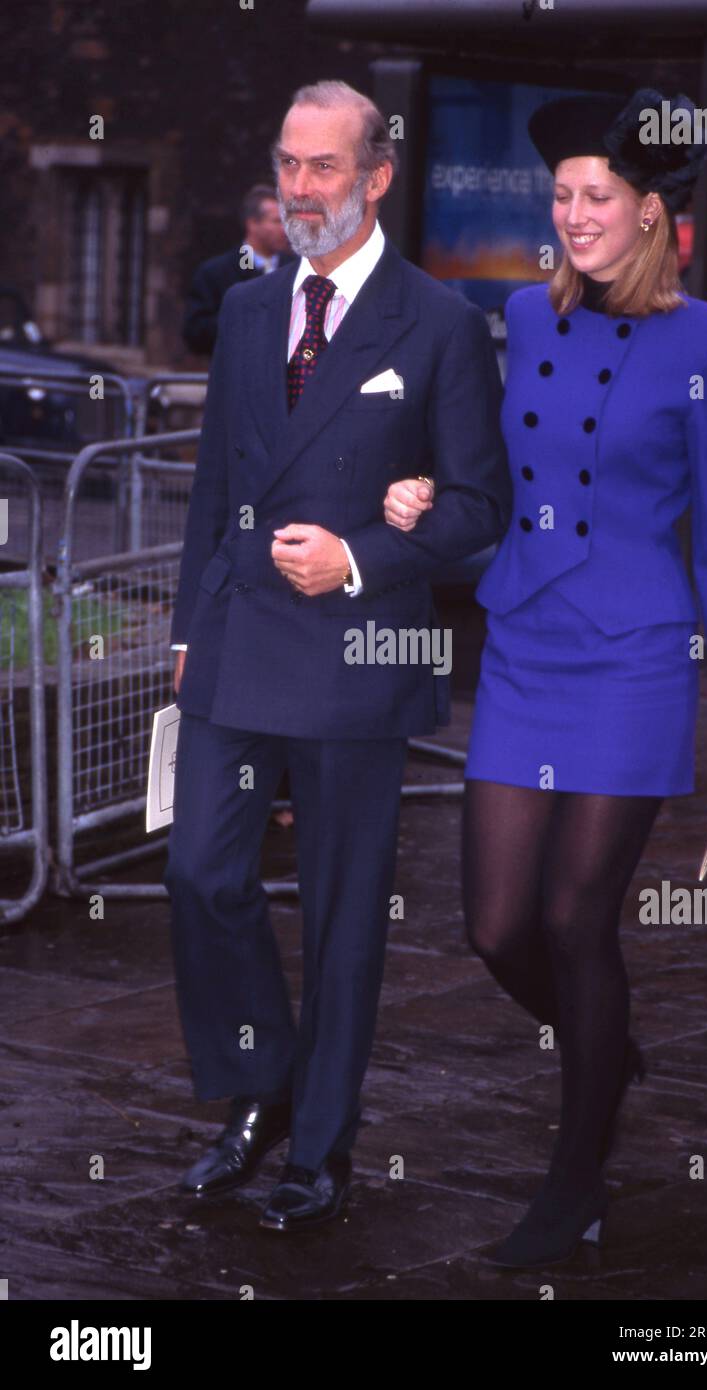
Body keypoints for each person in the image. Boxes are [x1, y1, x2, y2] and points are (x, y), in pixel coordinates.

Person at [383, 87, 707, 1269]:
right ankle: (603, 1054)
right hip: (522, 643)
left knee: (573, 917)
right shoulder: (525, 313)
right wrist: (420, 494)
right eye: (557, 196)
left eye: (593, 197)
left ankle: (575, 1179)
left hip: (630, 654)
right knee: (496, 927)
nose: (569, 215)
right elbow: (504, 480)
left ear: (651, 211)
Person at [164, 80, 511, 1233]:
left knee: (343, 918)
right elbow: (216, 482)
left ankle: (321, 1147)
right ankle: (258, 1082)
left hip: (358, 653)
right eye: (286, 165)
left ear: (375, 176)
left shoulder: (441, 325)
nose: (298, 188)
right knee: (200, 875)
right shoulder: (255, 309)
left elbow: (476, 510)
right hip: (234, 640)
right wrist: (181, 629)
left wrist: (358, 557)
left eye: (322, 167)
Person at [182, 184, 294, 355]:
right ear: (252, 224)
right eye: (277, 221)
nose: (285, 229)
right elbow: (196, 333)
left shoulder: (296, 268)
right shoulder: (217, 272)